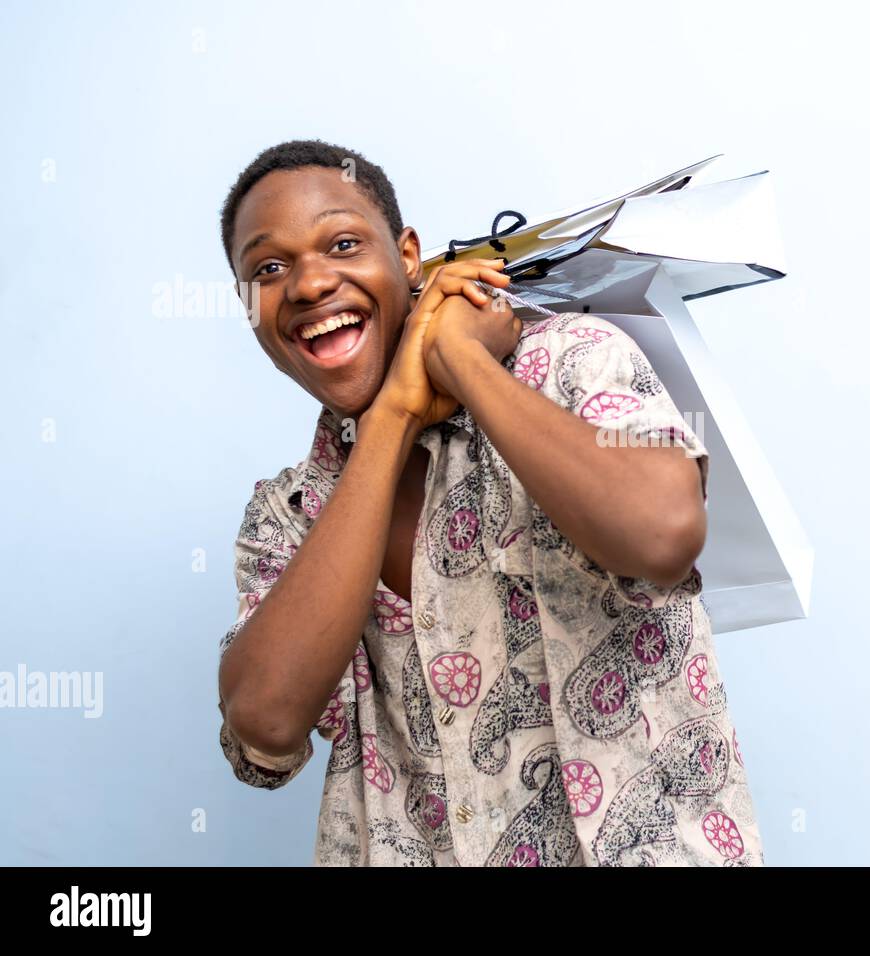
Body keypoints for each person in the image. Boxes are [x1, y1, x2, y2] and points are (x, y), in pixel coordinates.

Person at [215, 139, 764, 866]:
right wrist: (391, 419)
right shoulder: (286, 515)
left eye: (343, 244)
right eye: (269, 269)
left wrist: (463, 361)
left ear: (407, 257)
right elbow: (266, 727)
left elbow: (663, 536)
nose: (310, 283)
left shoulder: (568, 361)